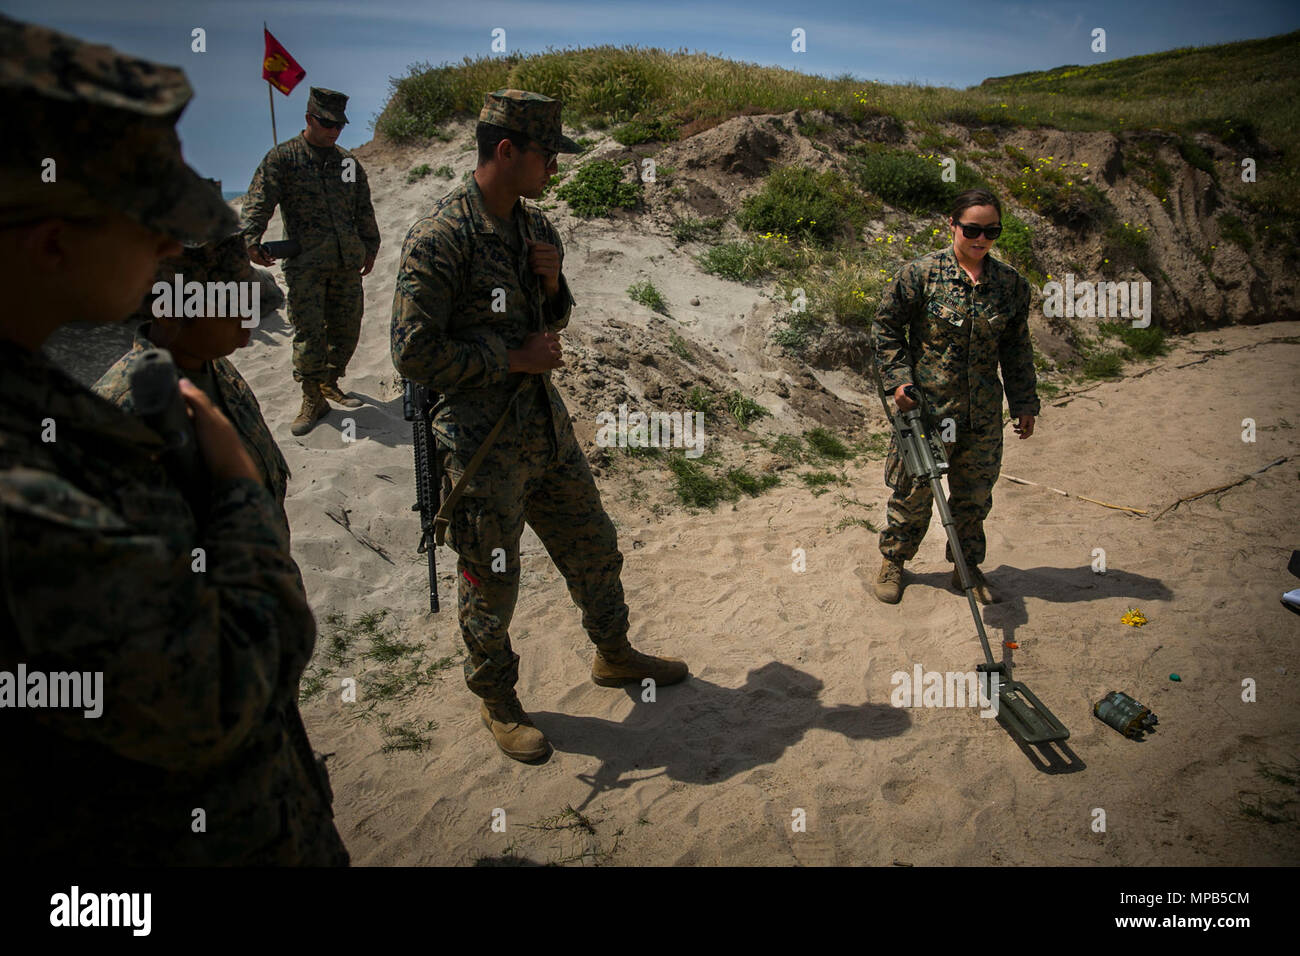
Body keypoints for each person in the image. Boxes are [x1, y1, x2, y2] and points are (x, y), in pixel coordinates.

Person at [0, 15, 347, 866]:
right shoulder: (98, 432)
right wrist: (235, 493)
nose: (164, 249)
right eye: (149, 229)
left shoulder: (181, 387)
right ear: (51, 243)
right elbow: (212, 691)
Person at [391, 89, 688, 762]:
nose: (555, 167)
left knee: (594, 546)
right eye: (547, 154)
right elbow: (411, 353)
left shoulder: (537, 229)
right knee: (492, 581)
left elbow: (553, 326)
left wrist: (554, 291)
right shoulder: (440, 238)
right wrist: (509, 357)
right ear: (506, 151)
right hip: (477, 446)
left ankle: (613, 654)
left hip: (544, 431)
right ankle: (498, 700)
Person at [871, 188, 1040, 606]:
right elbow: (886, 329)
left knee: (974, 495)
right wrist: (898, 382)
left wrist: (1024, 403)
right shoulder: (921, 275)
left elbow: (1017, 349)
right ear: (953, 225)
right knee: (913, 492)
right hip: (927, 410)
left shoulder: (1011, 286)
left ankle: (966, 567)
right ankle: (894, 561)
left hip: (981, 414)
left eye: (991, 231)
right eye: (972, 229)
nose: (981, 239)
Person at [94, 191, 294, 542]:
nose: (247, 330)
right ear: (170, 313)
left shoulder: (217, 369)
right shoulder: (122, 418)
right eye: (231, 312)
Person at [241, 86, 380, 435]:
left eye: (339, 125)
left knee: (347, 330)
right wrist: (251, 239)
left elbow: (362, 207)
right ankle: (311, 397)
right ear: (309, 119)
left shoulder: (347, 163)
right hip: (306, 265)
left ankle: (330, 382)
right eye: (326, 122)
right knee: (309, 334)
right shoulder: (283, 159)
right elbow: (259, 201)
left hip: (346, 261)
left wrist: (371, 246)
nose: (333, 130)